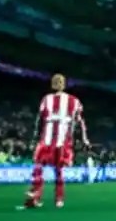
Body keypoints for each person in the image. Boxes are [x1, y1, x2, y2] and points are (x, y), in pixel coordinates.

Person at [21, 74, 89, 209]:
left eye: (58, 81)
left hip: (52, 141)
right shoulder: (70, 101)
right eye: (57, 81)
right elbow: (81, 122)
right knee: (53, 169)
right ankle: (51, 198)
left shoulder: (50, 100)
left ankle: (41, 195)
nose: (58, 83)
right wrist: (84, 139)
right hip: (57, 142)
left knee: (44, 168)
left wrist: (34, 138)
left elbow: (39, 121)